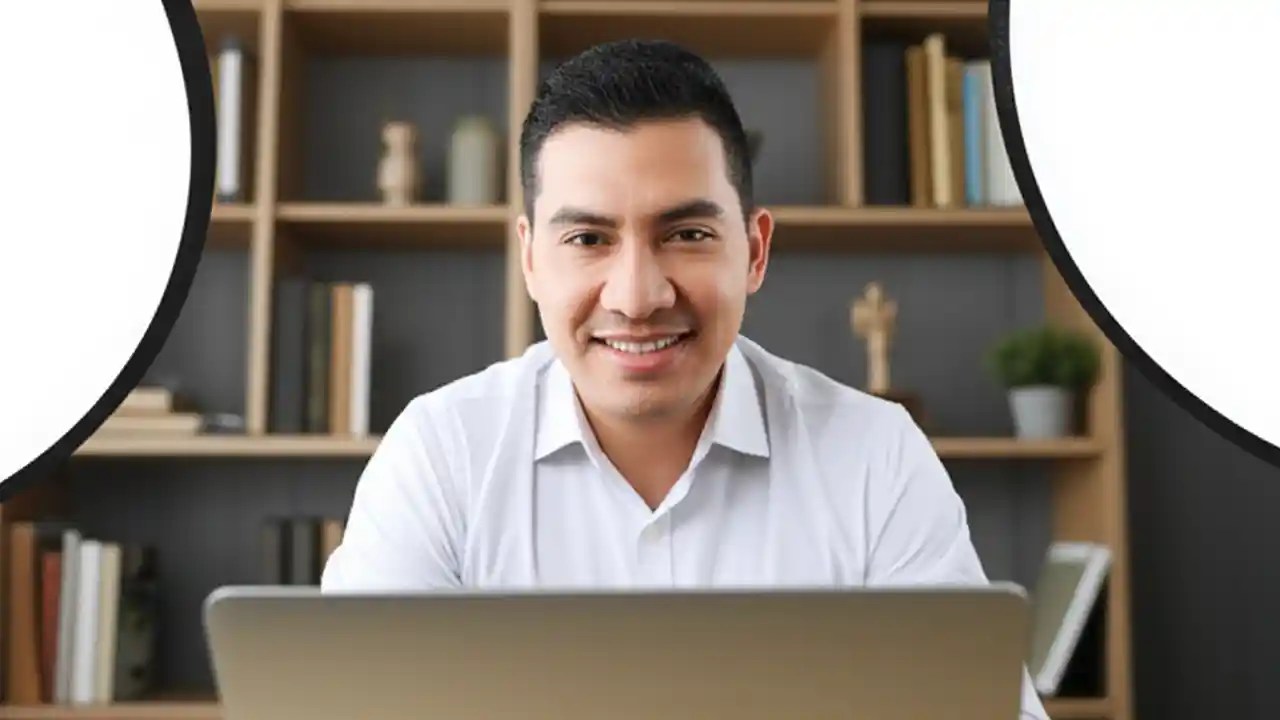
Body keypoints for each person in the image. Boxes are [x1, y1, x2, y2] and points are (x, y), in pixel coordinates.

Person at [320, 38, 1049, 720]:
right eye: (587, 239)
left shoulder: (875, 456)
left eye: (687, 235)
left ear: (754, 251)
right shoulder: (439, 453)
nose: (637, 298)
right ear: (531, 259)